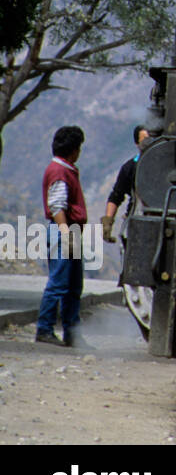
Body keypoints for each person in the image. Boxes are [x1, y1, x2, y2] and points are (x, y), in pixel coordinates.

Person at [37, 125, 89, 348]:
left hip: (70, 231)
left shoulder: (66, 169)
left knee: (73, 285)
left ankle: (72, 332)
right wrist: (66, 232)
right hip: (64, 231)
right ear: (73, 150)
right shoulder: (60, 172)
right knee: (58, 283)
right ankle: (44, 329)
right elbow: (57, 205)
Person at [103, 124, 150, 243]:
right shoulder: (130, 168)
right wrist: (107, 223)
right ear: (137, 143)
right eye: (145, 140)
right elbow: (116, 195)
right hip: (137, 220)